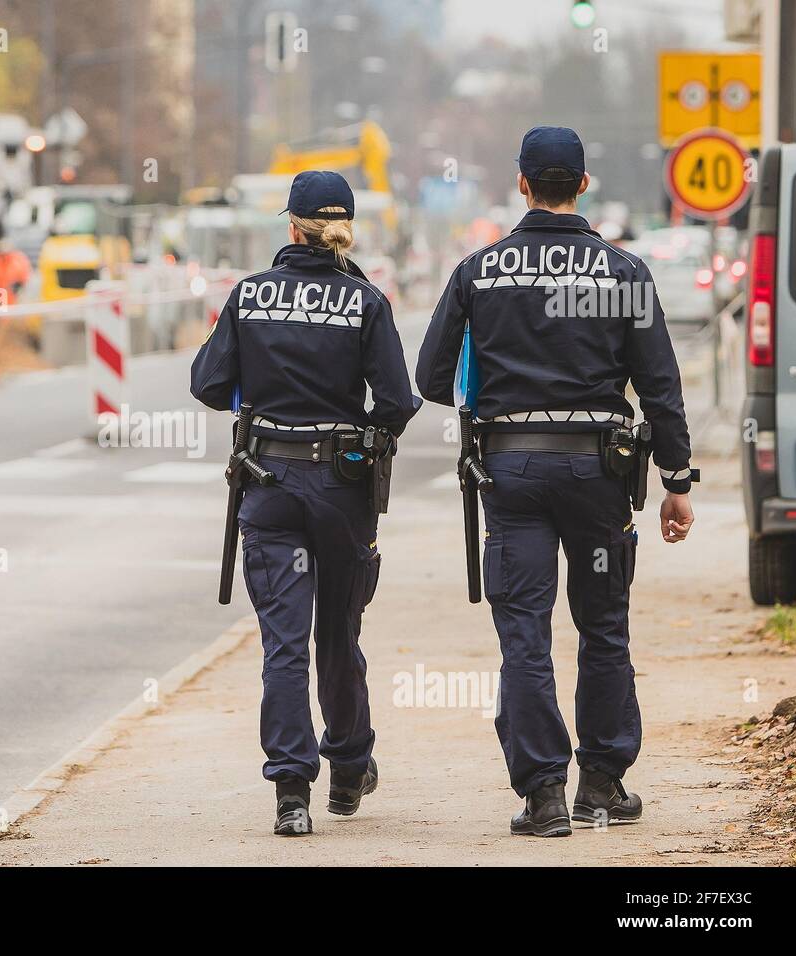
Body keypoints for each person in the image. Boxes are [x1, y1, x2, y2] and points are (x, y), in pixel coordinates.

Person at [415, 127, 696, 837]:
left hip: (510, 472)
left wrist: (491, 391)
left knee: (524, 632)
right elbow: (659, 385)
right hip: (600, 473)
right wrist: (678, 477)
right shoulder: (624, 273)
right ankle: (601, 785)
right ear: (583, 184)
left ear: (521, 184)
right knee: (603, 625)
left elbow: (428, 378)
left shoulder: (480, 271)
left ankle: (543, 794)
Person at [190, 170, 419, 837]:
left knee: (283, 644)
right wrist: (361, 439)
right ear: (346, 229)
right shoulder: (365, 301)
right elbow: (399, 402)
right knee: (338, 634)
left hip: (268, 483)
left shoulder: (250, 296)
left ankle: (292, 792)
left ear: (290, 227)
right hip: (341, 491)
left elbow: (208, 383)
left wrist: (257, 401)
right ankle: (348, 766)